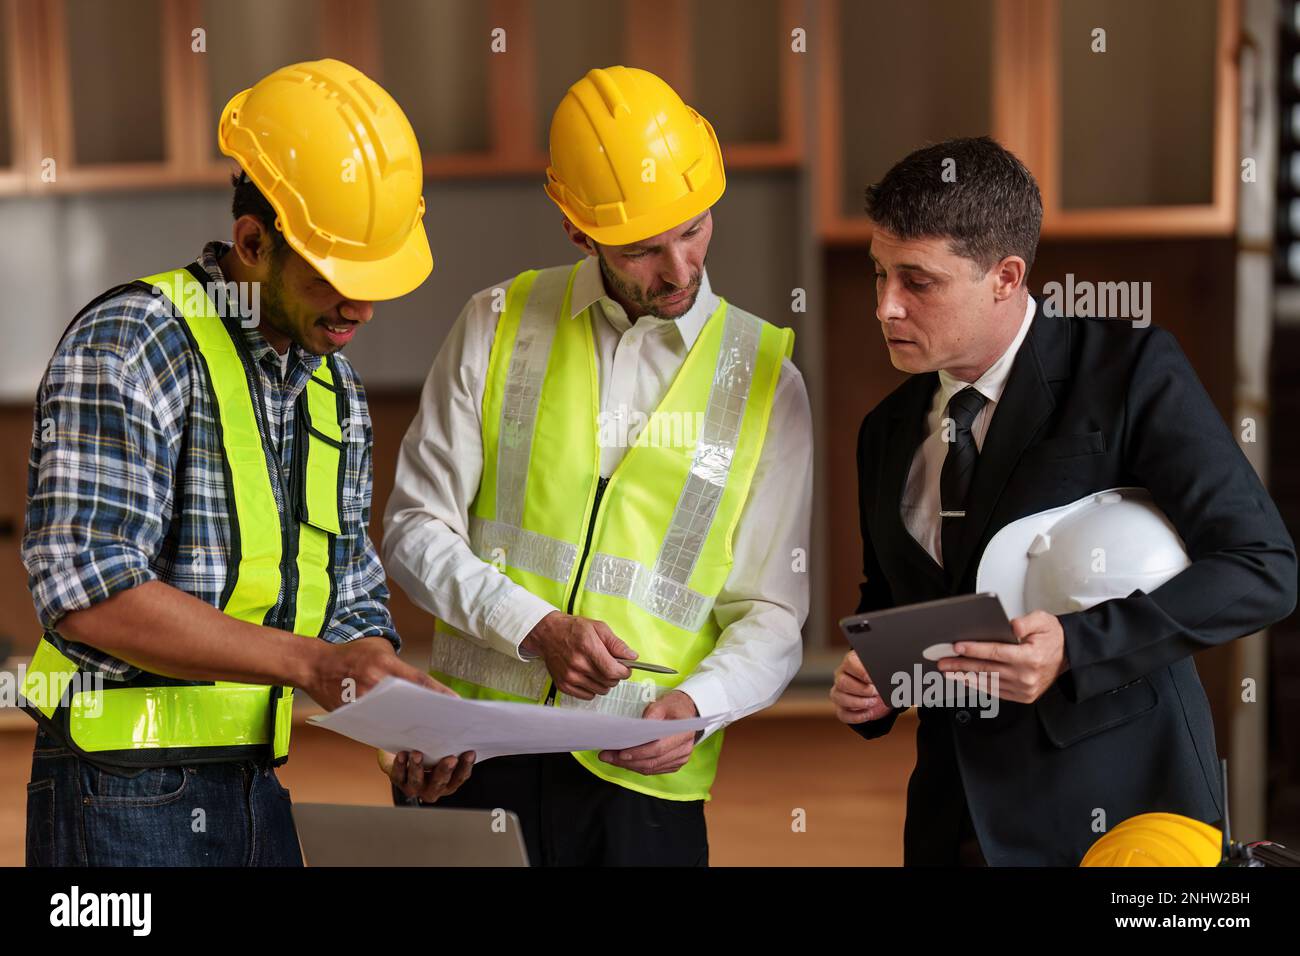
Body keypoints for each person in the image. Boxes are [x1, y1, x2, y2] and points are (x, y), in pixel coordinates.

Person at [20, 59, 472, 867]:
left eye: (377, 281)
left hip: (257, 786)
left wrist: (390, 711)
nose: (361, 308)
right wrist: (314, 664)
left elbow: (349, 592)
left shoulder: (337, 391)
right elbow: (90, 592)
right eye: (337, 278)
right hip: (118, 794)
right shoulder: (134, 343)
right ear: (254, 242)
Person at [381, 66, 812, 866]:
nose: (680, 270)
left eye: (695, 228)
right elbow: (412, 529)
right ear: (579, 234)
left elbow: (772, 611)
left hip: (640, 793)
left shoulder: (765, 383)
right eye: (645, 249)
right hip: (471, 763)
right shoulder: (499, 323)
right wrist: (533, 628)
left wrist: (698, 705)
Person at [830, 136, 1297, 866]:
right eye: (879, 274)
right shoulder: (883, 431)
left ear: (1006, 277)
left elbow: (1261, 568)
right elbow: (893, 602)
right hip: (953, 827)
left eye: (916, 281)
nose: (885, 306)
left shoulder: (1131, 370)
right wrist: (876, 685)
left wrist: (1078, 649)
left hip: (1125, 816)